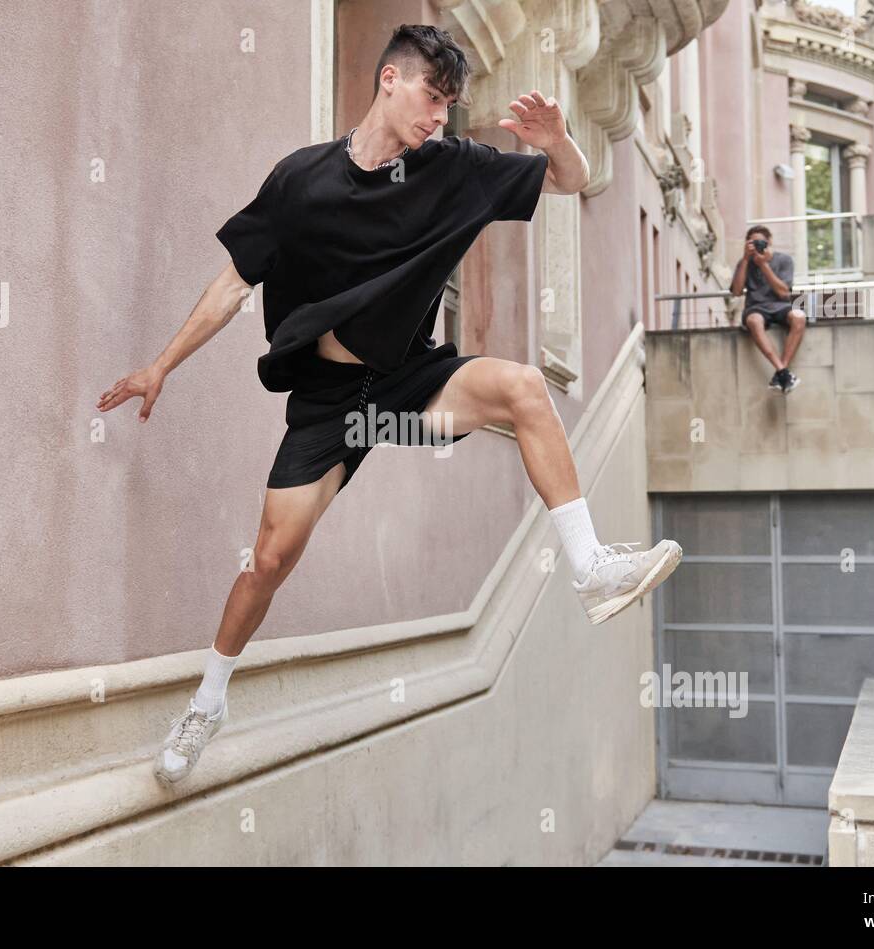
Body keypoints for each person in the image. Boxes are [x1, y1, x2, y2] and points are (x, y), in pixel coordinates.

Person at [96, 24, 683, 786]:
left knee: (524, 388)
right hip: (330, 403)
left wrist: (559, 139)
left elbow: (568, 181)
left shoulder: (455, 170)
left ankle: (591, 566)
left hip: (409, 383)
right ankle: (209, 700)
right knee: (269, 559)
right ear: (389, 81)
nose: (440, 118)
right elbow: (232, 283)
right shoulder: (300, 181)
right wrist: (160, 365)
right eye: (433, 99)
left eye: (448, 105)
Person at [730, 225, 806, 392]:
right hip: (755, 308)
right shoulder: (744, 263)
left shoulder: (784, 260)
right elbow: (736, 291)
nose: (757, 246)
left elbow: (784, 292)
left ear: (769, 242)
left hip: (781, 306)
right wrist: (744, 259)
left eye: (761, 242)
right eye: (753, 243)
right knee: (754, 321)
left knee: (799, 317)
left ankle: (781, 372)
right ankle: (783, 371)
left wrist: (764, 265)